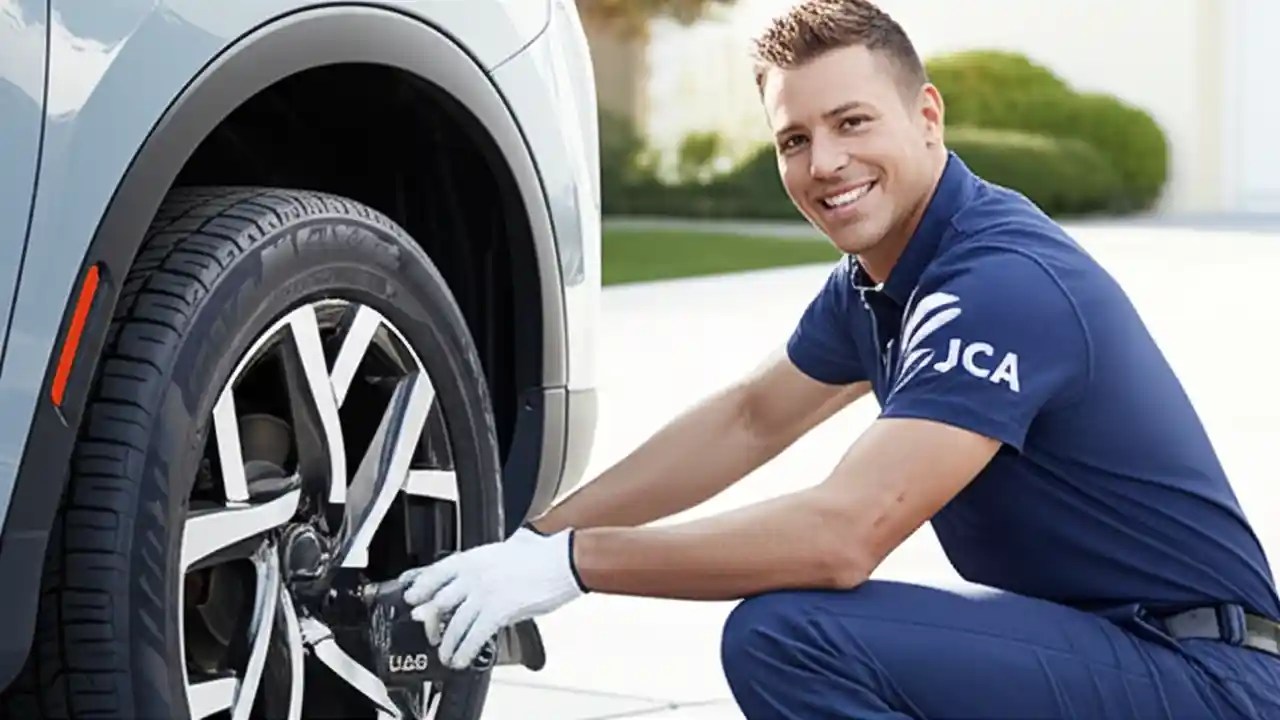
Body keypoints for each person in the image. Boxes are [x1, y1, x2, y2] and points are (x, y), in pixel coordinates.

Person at [399, 1, 1280, 716]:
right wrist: (530, 541)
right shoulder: (884, 276)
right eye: (794, 140)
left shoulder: (1001, 284)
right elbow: (750, 418)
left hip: (1206, 676)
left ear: (926, 114)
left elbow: (841, 538)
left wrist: (573, 566)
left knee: (791, 636)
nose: (825, 163)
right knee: (799, 629)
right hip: (1112, 650)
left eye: (853, 122)